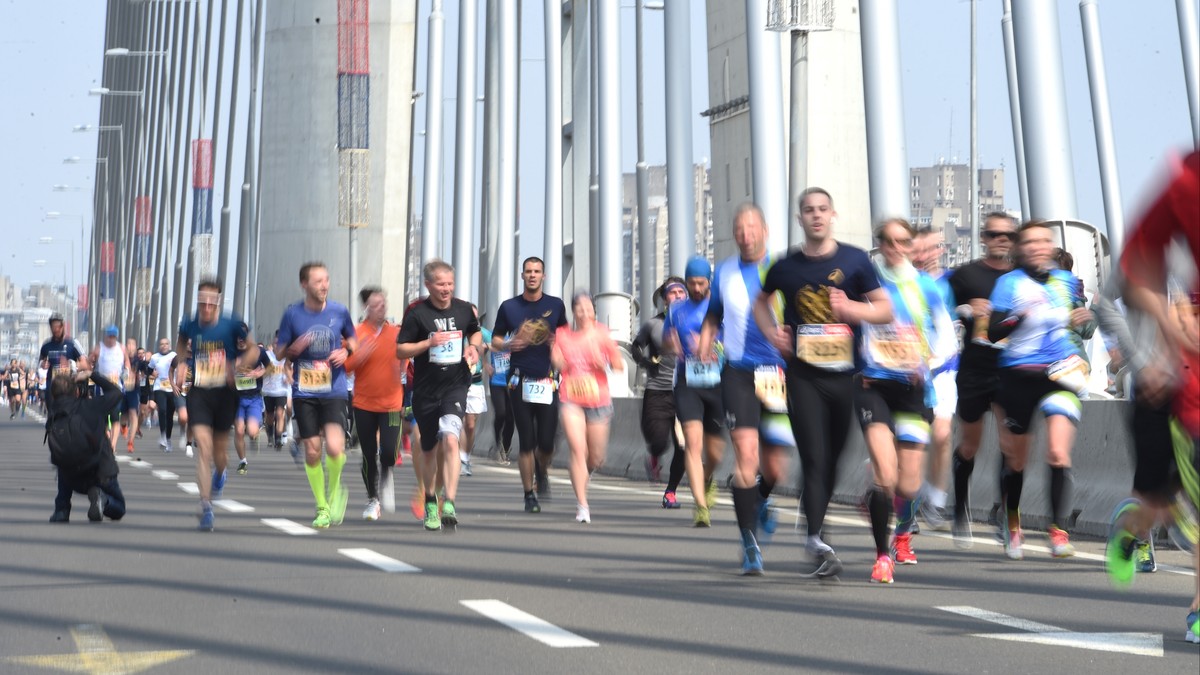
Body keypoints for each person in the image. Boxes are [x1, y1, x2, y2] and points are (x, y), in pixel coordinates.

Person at [756, 189, 893, 579]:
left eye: (822, 210)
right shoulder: (786, 266)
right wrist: (773, 335)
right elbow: (759, 303)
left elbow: (885, 308)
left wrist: (851, 308)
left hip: (844, 377)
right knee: (814, 456)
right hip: (803, 377)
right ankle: (817, 539)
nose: (816, 216)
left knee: (832, 460)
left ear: (833, 214)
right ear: (799, 218)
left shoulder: (855, 261)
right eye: (808, 211)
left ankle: (814, 526)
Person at [1107, 148, 1199, 643]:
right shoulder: (1183, 191)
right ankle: (1131, 528)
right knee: (1161, 503)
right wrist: (1157, 345)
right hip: (1168, 381)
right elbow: (1126, 281)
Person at [702, 203, 805, 576]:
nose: (745, 235)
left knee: (775, 467)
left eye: (752, 228)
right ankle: (749, 543)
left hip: (775, 374)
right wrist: (706, 336)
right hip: (738, 373)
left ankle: (759, 500)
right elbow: (714, 312)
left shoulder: (782, 270)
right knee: (746, 457)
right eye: (739, 229)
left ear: (765, 230)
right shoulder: (725, 271)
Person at [987, 220, 1096, 560]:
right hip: (1018, 375)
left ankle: (1058, 531)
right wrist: (1017, 317)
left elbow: (1087, 325)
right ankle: (1012, 518)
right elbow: (992, 333)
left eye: (1042, 242)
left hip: (1060, 374)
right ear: (1021, 249)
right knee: (1017, 461)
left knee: (1058, 453)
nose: (1036, 247)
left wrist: (1084, 319)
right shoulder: (1008, 284)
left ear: (1050, 248)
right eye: (1029, 242)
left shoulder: (1067, 281)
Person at [855, 218, 956, 582]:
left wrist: (925, 363)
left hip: (915, 389)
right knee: (885, 473)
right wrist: (857, 364)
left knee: (909, 483)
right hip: (874, 386)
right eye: (890, 241)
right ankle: (882, 556)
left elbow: (947, 338)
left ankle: (891, 522)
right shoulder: (866, 283)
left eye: (904, 242)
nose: (897, 248)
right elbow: (847, 327)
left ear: (911, 246)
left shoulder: (926, 287)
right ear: (880, 244)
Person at [948, 212, 1019, 548]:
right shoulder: (965, 275)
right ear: (983, 238)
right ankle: (960, 509)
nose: (1000, 240)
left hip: (1010, 369)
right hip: (975, 370)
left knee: (1010, 446)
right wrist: (964, 308)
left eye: (1007, 235)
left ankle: (1007, 516)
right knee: (970, 445)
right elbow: (939, 310)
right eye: (994, 234)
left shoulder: (1021, 278)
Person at [397, 260, 483, 531]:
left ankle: (450, 502)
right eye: (441, 284)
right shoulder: (417, 314)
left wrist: (473, 349)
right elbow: (401, 350)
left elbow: (476, 332)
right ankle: (430, 500)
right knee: (429, 449)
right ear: (428, 285)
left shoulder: (464, 309)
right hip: (425, 390)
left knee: (450, 438)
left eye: (450, 284)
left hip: (456, 384)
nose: (446, 289)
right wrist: (428, 343)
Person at [276, 261, 359, 530]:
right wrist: (294, 349)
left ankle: (334, 492)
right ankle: (322, 506)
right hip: (305, 391)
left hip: (334, 388)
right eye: (318, 281)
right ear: (304, 284)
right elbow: (279, 353)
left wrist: (346, 351)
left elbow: (354, 341)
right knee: (313, 451)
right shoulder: (292, 315)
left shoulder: (339, 311)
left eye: (326, 280)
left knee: (335, 447)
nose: (324, 286)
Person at [491, 257, 569, 514]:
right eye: (528, 272)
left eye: (537, 271)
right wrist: (509, 345)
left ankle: (542, 470)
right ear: (522, 275)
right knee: (527, 441)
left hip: (547, 381)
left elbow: (564, 336)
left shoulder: (555, 305)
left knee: (546, 442)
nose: (532, 275)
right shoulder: (510, 307)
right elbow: (495, 340)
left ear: (543, 276)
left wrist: (558, 348)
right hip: (519, 381)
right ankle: (528, 495)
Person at [178, 278, 255, 531]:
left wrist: (238, 365)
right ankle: (206, 504)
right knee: (204, 448)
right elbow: (181, 343)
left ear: (218, 302)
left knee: (220, 454)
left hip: (225, 394)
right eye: (202, 302)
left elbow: (253, 350)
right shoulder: (189, 323)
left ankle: (220, 475)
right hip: (199, 391)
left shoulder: (232, 323)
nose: (206, 306)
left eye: (211, 302)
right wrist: (180, 364)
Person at [552, 290, 624, 523]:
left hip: (598, 400)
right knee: (577, 449)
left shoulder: (602, 333)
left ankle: (588, 473)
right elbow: (556, 358)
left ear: (594, 311)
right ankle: (582, 505)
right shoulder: (562, 334)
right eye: (579, 309)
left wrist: (601, 363)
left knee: (596, 457)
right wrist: (557, 360)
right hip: (570, 398)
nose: (584, 313)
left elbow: (619, 364)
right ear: (573, 311)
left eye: (588, 309)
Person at [667, 261, 726, 526]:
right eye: (692, 283)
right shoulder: (676, 310)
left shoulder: (720, 307)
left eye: (702, 283)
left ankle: (708, 476)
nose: (696, 288)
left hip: (717, 383)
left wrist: (714, 346)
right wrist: (675, 344)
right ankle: (701, 506)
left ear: (709, 281)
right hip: (688, 382)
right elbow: (669, 337)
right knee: (692, 443)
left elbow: (735, 339)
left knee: (715, 453)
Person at [344, 286, 406, 520]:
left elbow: (405, 362)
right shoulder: (356, 333)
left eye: (384, 303)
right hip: (363, 404)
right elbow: (346, 367)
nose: (382, 308)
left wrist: (403, 391)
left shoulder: (396, 333)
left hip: (391, 403)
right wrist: (360, 356)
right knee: (369, 454)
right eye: (376, 304)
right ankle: (373, 499)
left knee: (389, 452)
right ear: (366, 308)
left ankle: (387, 473)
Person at [913, 227, 959, 529]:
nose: (924, 256)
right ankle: (907, 498)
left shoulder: (949, 283)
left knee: (941, 435)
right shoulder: (903, 283)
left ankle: (936, 500)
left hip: (943, 371)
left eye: (930, 249)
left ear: (939, 250)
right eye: (918, 250)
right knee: (912, 440)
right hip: (909, 371)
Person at [631, 276, 688, 508]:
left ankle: (670, 492)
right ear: (664, 299)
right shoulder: (653, 324)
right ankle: (654, 456)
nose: (676, 297)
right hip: (657, 391)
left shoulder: (697, 321)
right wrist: (646, 363)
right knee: (659, 441)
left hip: (686, 393)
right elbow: (635, 347)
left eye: (680, 293)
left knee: (684, 446)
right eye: (671, 294)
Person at [46, 370, 127, 523]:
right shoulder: (93, 405)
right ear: (77, 391)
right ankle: (104, 501)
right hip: (101, 471)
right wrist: (91, 374)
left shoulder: (54, 412)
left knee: (64, 457)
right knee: (119, 508)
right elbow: (116, 393)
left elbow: (56, 394)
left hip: (72, 477)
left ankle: (61, 510)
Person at [232, 325, 271, 475]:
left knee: (252, 430)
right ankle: (243, 461)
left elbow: (269, 367)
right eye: (238, 338)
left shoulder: (258, 351)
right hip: (237, 399)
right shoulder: (231, 351)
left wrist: (259, 372)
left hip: (254, 397)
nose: (241, 341)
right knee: (239, 430)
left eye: (243, 337)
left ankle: (254, 435)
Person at [91, 325, 132, 453]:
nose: (111, 339)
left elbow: (127, 363)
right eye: (109, 336)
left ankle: (113, 445)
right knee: (101, 418)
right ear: (106, 336)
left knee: (115, 417)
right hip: (101, 387)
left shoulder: (121, 348)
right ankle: (106, 437)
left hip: (116, 387)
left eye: (114, 336)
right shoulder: (99, 348)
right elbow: (90, 361)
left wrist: (126, 373)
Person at [461, 304, 489, 476]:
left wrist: (485, 348)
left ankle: (466, 455)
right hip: (457, 383)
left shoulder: (481, 333)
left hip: (475, 383)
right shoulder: (458, 331)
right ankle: (459, 458)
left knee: (470, 425)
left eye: (476, 317)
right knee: (457, 423)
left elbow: (498, 343)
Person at [485, 323, 515, 465]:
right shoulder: (492, 335)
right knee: (501, 413)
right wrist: (485, 365)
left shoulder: (516, 335)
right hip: (497, 382)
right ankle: (498, 444)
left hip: (512, 383)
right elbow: (480, 347)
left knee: (511, 418)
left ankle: (506, 447)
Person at [261, 332, 292, 449]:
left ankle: (278, 438)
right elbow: (260, 370)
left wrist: (288, 378)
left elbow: (290, 371)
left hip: (281, 391)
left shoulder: (287, 358)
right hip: (268, 390)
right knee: (269, 416)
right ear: (272, 344)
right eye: (275, 343)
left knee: (279, 413)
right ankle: (270, 434)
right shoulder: (266, 355)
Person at [147, 338, 179, 452]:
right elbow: (148, 369)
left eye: (166, 344)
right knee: (162, 410)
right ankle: (163, 435)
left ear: (169, 345)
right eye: (162, 344)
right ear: (159, 346)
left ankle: (168, 439)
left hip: (172, 388)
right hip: (159, 387)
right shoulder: (155, 357)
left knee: (170, 415)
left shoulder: (174, 355)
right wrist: (152, 373)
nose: (164, 346)